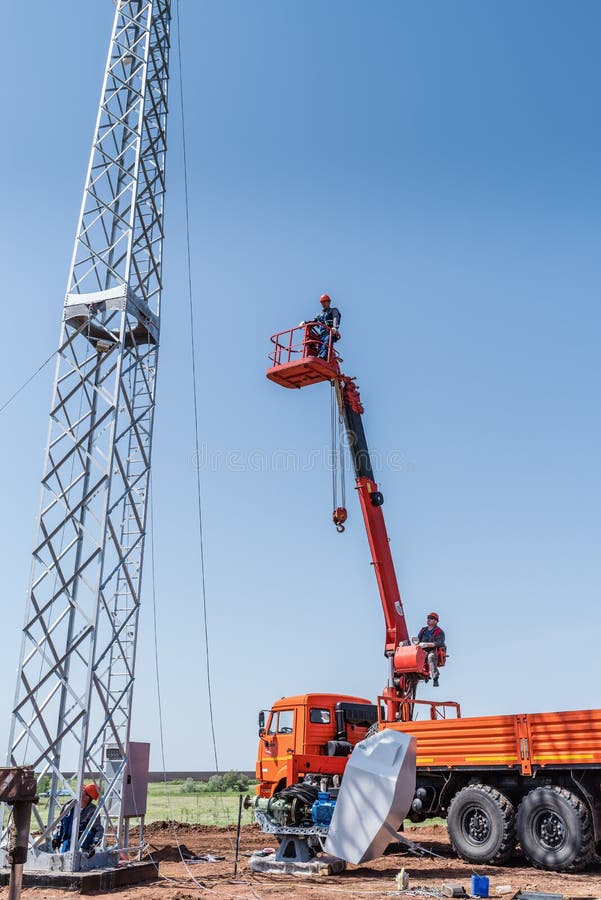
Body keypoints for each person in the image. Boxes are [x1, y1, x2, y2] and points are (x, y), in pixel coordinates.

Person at [52, 783, 104, 855]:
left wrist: (94, 844)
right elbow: (60, 822)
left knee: (89, 832)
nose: (80, 792)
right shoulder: (69, 806)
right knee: (65, 849)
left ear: (87, 798)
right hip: (68, 839)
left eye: (83, 791)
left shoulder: (92, 810)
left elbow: (99, 829)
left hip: (83, 842)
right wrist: (56, 838)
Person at [300, 294, 341, 360]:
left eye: (325, 302)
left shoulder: (333, 311)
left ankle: (322, 358)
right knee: (317, 343)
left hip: (330, 332)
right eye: (322, 302)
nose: (323, 304)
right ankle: (315, 354)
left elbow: (335, 318)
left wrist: (335, 328)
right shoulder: (320, 314)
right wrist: (305, 323)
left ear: (329, 302)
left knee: (327, 342)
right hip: (322, 334)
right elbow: (313, 321)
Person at [413, 612, 446, 687]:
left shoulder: (439, 631)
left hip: (433, 650)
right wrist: (418, 644)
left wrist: (427, 644)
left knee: (430, 657)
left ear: (435, 621)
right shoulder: (423, 630)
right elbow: (418, 640)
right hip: (423, 650)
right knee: (414, 657)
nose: (429, 619)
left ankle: (435, 677)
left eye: (431, 618)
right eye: (428, 618)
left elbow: (439, 643)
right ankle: (416, 675)